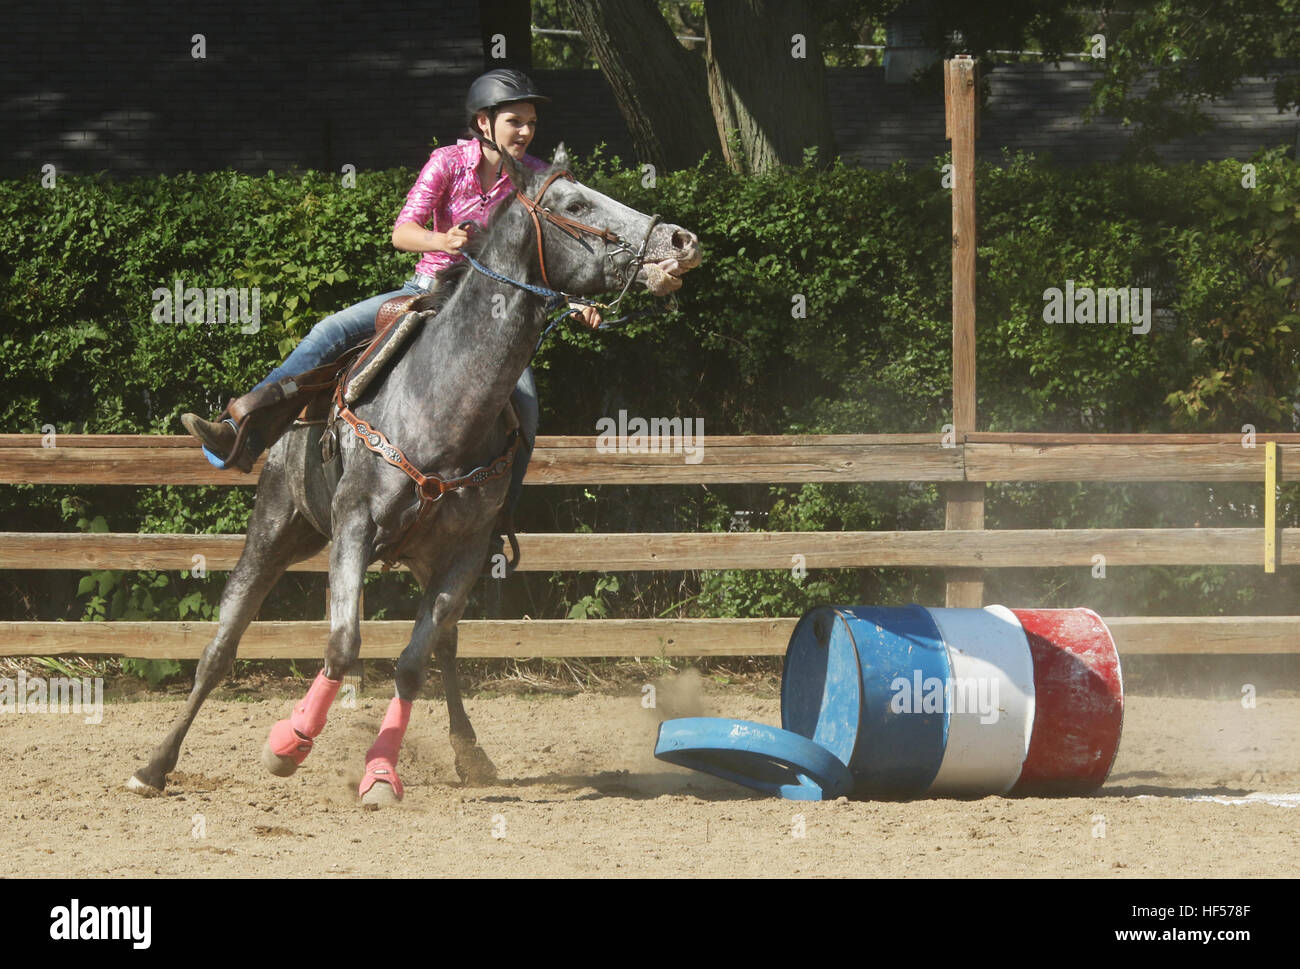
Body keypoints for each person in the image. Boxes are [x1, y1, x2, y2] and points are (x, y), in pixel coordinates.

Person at [180, 67, 597, 527]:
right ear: (484, 123)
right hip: (427, 292)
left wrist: (575, 299)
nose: (525, 131)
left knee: (528, 408)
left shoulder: (540, 177)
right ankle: (239, 431)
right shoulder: (446, 163)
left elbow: (559, 249)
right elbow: (403, 232)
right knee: (328, 331)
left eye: (531, 123)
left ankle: (498, 522)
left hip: (492, 319)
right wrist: (443, 242)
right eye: (515, 121)